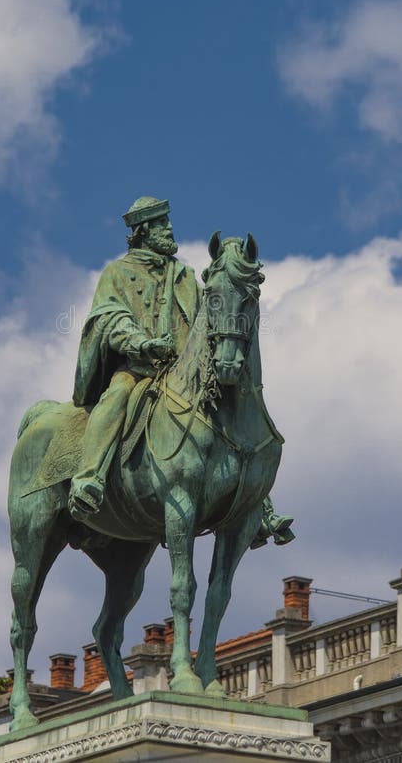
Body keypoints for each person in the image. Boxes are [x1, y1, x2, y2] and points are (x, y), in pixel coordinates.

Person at [69, 196, 294, 547]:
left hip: (185, 374)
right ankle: (89, 478)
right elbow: (108, 317)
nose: (169, 228)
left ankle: (258, 504)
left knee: (234, 412)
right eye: (161, 224)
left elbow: (209, 317)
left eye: (167, 221)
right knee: (116, 396)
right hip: (139, 368)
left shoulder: (185, 276)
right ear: (143, 231)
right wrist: (141, 343)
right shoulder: (117, 273)